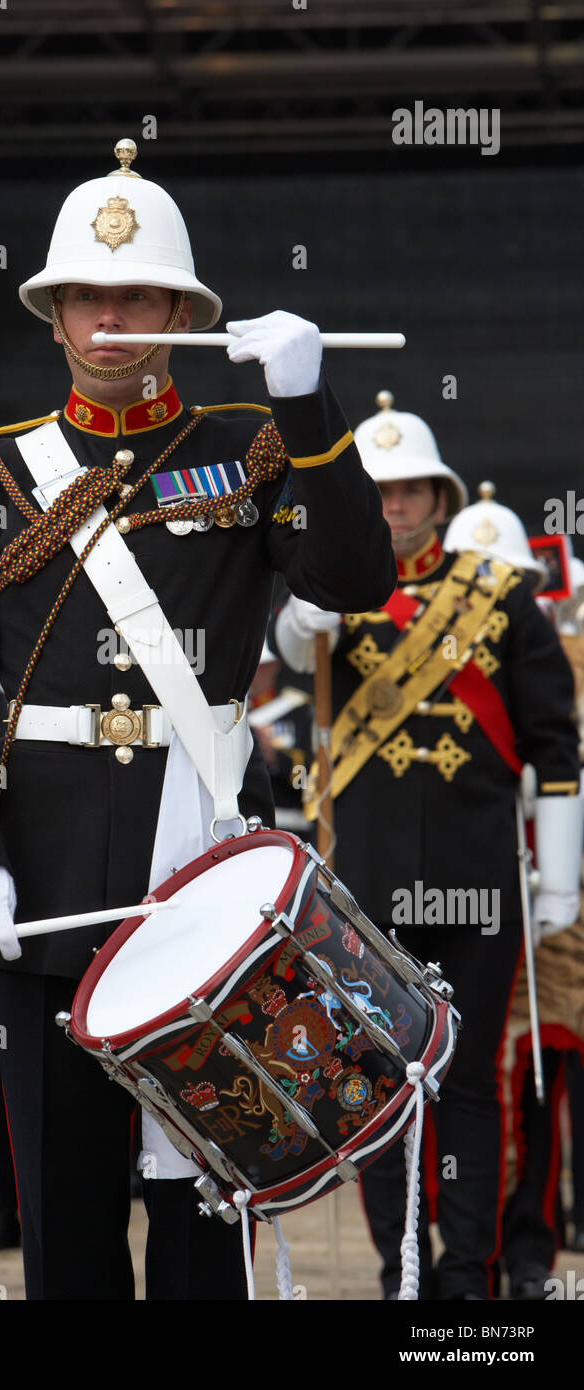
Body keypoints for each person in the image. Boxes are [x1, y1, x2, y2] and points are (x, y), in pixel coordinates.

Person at [0, 138, 396, 1301]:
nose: (111, 315)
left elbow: (354, 577)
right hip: (45, 870)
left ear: (181, 307)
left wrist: (307, 406)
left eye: (137, 295)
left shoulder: (247, 444)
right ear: (56, 313)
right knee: (66, 1214)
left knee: (206, 1196)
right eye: (87, 294)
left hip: (205, 866)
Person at [275, 392, 582, 1300]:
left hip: (479, 883)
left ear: (440, 500)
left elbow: (556, 749)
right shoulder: (327, 588)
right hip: (367, 891)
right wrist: (302, 622)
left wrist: (558, 877)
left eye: (410, 491)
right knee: (378, 1086)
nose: (395, 507)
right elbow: (284, 656)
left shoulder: (500, 599)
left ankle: (465, 1277)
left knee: (475, 1085)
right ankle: (399, 1270)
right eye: (378, 492)